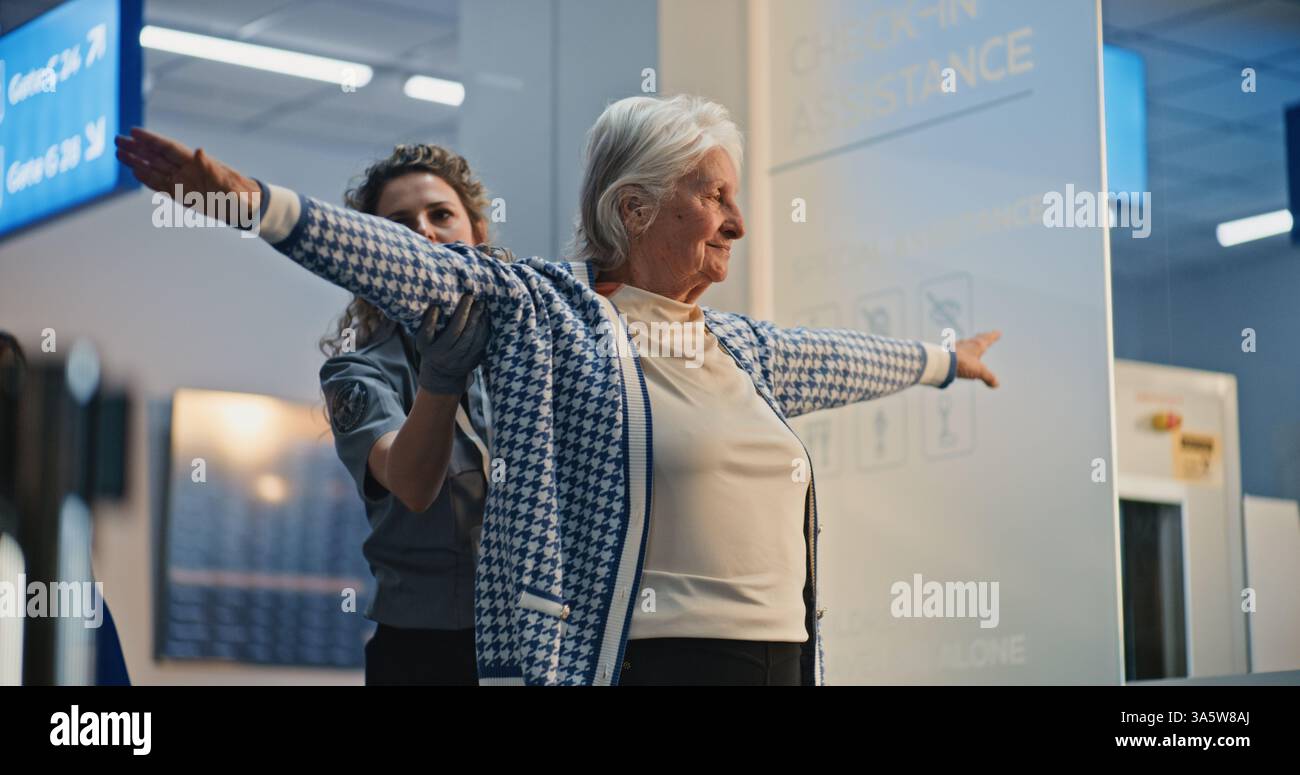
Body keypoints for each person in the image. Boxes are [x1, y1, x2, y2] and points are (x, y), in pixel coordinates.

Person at [116, 93, 1002, 686]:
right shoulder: (546, 313)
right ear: (635, 210)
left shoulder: (740, 344)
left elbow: (843, 358)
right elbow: (403, 267)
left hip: (780, 659)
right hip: (626, 659)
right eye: (714, 196)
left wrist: (945, 358)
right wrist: (248, 201)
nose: (737, 222)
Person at [318, 145, 498, 685]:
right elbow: (414, 485)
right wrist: (441, 379)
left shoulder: (528, 354)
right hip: (425, 654)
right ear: (372, 253)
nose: (424, 232)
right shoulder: (357, 373)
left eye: (441, 214)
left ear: (478, 233)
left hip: (537, 638)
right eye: (398, 224)